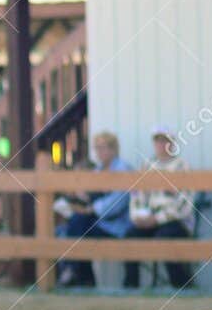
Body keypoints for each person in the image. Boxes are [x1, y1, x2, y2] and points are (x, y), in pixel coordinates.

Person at [56, 131, 135, 290]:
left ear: (113, 149)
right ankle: (81, 277)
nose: (99, 152)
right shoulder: (97, 170)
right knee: (66, 229)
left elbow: (119, 201)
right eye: (96, 148)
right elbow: (93, 195)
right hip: (98, 221)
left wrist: (91, 208)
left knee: (77, 226)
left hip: (117, 224)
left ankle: (79, 276)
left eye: (102, 147)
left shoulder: (122, 168)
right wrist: (81, 197)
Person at [127, 124, 195, 290]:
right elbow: (137, 195)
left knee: (165, 238)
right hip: (148, 218)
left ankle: (181, 287)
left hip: (175, 220)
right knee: (130, 236)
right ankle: (130, 287)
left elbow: (184, 204)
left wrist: (157, 219)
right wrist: (137, 216)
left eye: (164, 140)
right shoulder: (147, 165)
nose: (160, 144)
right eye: (157, 140)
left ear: (172, 143)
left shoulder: (182, 166)